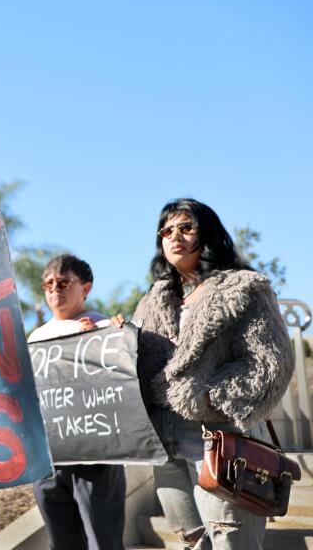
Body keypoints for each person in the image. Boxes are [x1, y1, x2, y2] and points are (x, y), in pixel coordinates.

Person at [130, 198, 293, 550]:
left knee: (231, 540)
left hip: (219, 437)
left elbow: (269, 364)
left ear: (209, 235)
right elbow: (136, 361)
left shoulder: (244, 288)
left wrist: (205, 397)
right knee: (192, 541)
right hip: (166, 444)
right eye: (166, 230)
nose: (175, 236)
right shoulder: (154, 300)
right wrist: (117, 333)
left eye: (186, 227)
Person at [27, 255, 126, 550]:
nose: (54, 289)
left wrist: (101, 340)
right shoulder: (35, 338)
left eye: (63, 282)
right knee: (63, 542)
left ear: (86, 288)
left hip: (95, 455)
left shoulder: (105, 327)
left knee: (102, 540)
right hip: (49, 458)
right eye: (48, 283)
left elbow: (121, 382)